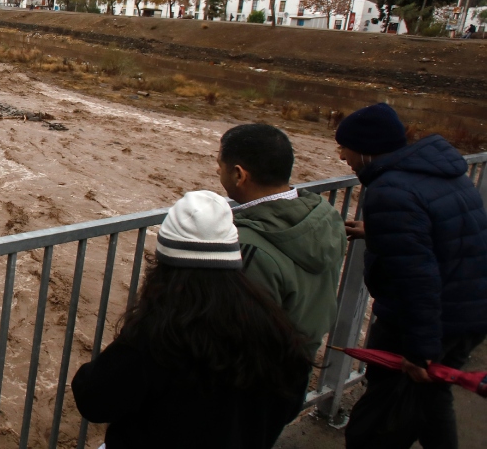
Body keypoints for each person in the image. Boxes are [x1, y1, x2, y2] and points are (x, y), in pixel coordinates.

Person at [72, 190, 311, 449]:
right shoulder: (274, 327)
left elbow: (94, 400)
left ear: (164, 263)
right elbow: (289, 403)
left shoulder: (157, 336)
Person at [334, 103, 487, 449]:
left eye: (345, 147)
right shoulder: (438, 172)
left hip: (429, 324)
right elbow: (441, 238)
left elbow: (417, 278)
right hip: (470, 311)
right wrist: (380, 231)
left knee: (376, 424)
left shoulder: (391, 192)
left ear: (367, 150)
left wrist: (420, 351)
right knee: (432, 401)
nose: (343, 156)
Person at [216, 124, 348, 360]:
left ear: (239, 174)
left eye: (219, 165)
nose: (217, 172)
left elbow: (236, 330)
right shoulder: (324, 218)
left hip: (254, 375)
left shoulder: (247, 245)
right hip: (299, 359)